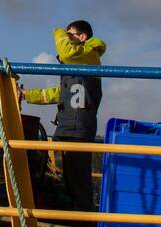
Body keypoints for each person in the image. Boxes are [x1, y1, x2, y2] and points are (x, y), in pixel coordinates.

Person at [22, 21, 106, 212]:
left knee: (78, 181)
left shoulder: (88, 55)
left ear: (82, 37)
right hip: (68, 126)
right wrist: (27, 95)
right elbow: (58, 94)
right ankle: (72, 220)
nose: (66, 38)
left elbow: (68, 52)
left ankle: (82, 226)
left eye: (71, 35)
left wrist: (58, 32)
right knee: (69, 179)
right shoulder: (75, 68)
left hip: (78, 128)